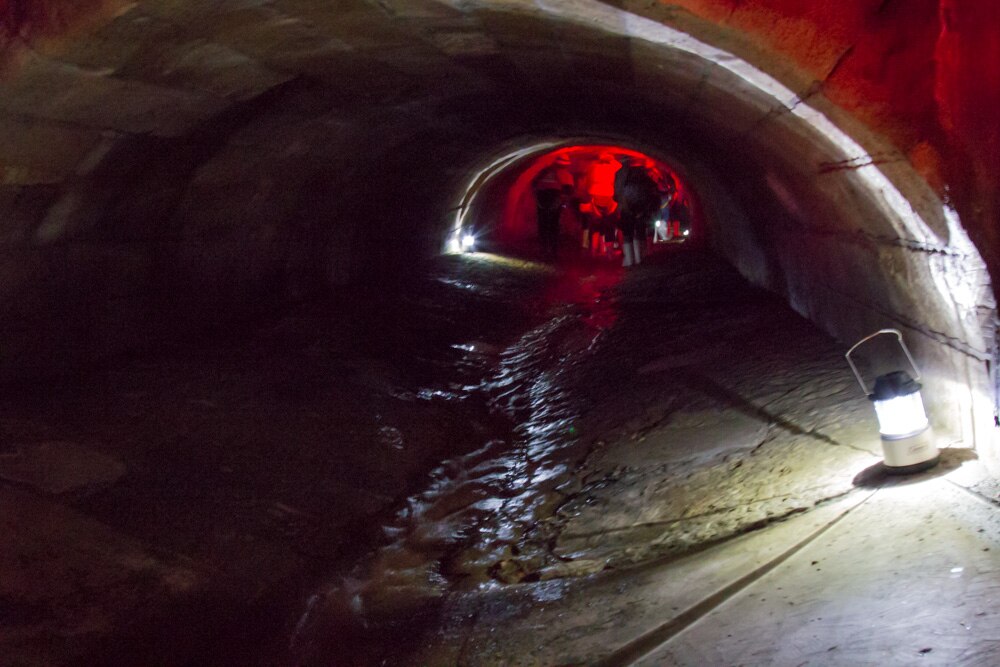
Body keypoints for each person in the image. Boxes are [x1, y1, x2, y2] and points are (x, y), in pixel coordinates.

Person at [613, 156, 662, 267]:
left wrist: (620, 204)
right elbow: (652, 189)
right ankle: (640, 257)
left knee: (627, 233)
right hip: (640, 206)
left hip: (626, 207)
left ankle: (629, 260)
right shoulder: (641, 174)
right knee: (640, 230)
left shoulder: (619, 174)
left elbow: (616, 193)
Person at [532, 163, 563, 261]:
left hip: (544, 200)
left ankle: (545, 249)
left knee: (544, 227)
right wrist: (558, 203)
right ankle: (551, 250)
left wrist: (538, 201)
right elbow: (561, 191)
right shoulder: (557, 177)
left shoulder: (541, 178)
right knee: (552, 227)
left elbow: (534, 187)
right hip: (550, 200)